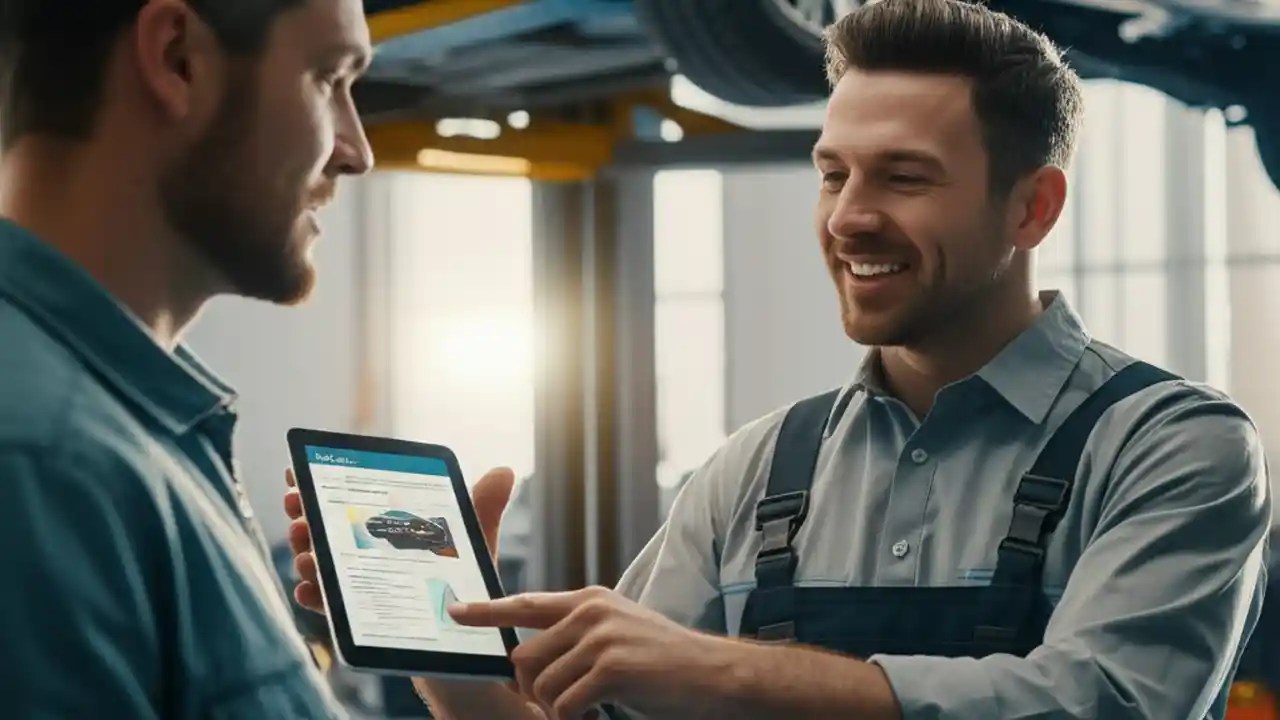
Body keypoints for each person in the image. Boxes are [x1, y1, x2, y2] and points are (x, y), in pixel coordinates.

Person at [287, 0, 1272, 718]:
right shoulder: (757, 471)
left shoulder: (1172, 449)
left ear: (1032, 207)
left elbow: (1095, 702)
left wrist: (709, 667)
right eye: (831, 173)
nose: (847, 217)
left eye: (903, 177)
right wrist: (449, 646)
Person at [0, 0, 373, 716]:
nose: (356, 150)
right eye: (328, 78)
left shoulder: (127, 430)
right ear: (178, 61)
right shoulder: (46, 468)